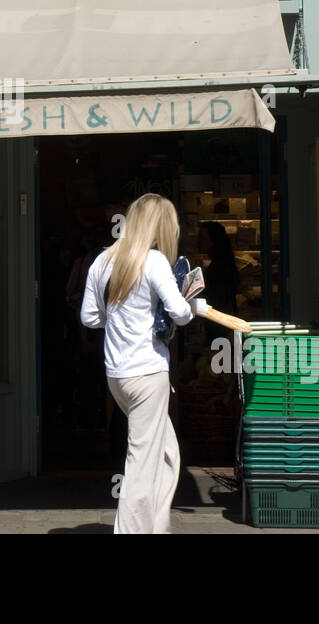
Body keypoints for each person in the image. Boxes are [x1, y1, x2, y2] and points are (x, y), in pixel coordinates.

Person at [80, 193, 211, 534]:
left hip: (117, 375)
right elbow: (180, 314)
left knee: (166, 451)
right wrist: (190, 304)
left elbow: (89, 317)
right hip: (148, 372)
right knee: (141, 460)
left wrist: (121, 317)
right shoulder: (153, 261)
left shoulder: (103, 261)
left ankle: (157, 526)